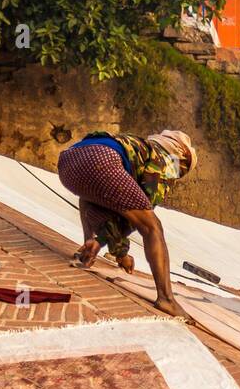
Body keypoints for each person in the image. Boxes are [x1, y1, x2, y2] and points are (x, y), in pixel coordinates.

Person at [57, 129, 196, 319]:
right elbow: (141, 213)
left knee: (91, 194)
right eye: (183, 170)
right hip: (102, 160)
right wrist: (121, 253)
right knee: (153, 227)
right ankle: (166, 298)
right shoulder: (168, 159)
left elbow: (121, 201)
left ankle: (87, 247)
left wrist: (105, 243)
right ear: (181, 157)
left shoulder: (140, 145)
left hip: (68, 160)